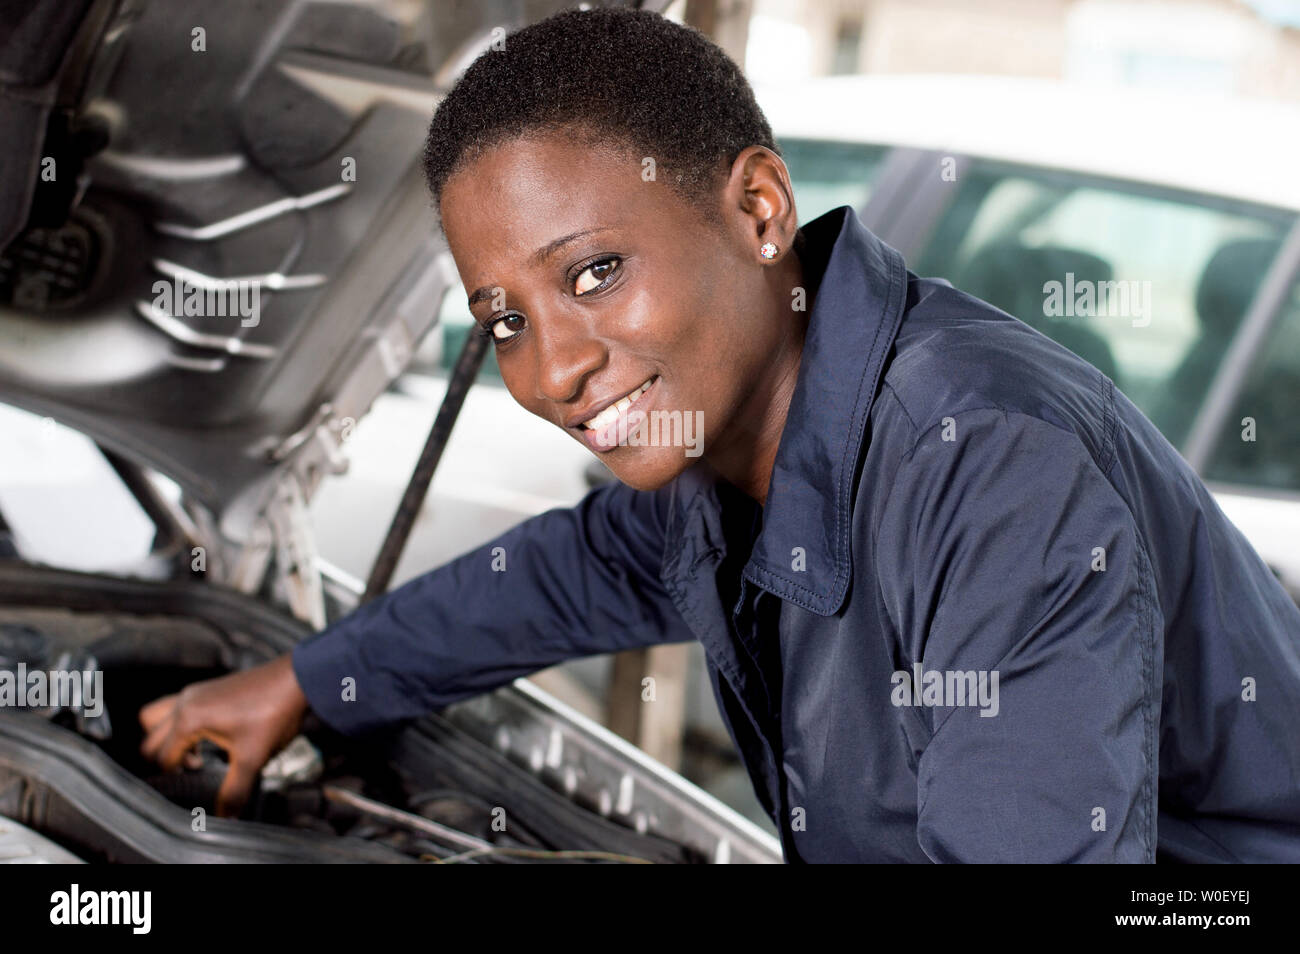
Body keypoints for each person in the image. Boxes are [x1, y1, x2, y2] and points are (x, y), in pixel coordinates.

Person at [138, 7, 1300, 863]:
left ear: (757, 210)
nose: (551, 372)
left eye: (595, 271)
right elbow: (558, 575)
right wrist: (305, 679)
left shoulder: (989, 465)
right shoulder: (728, 440)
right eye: (503, 321)